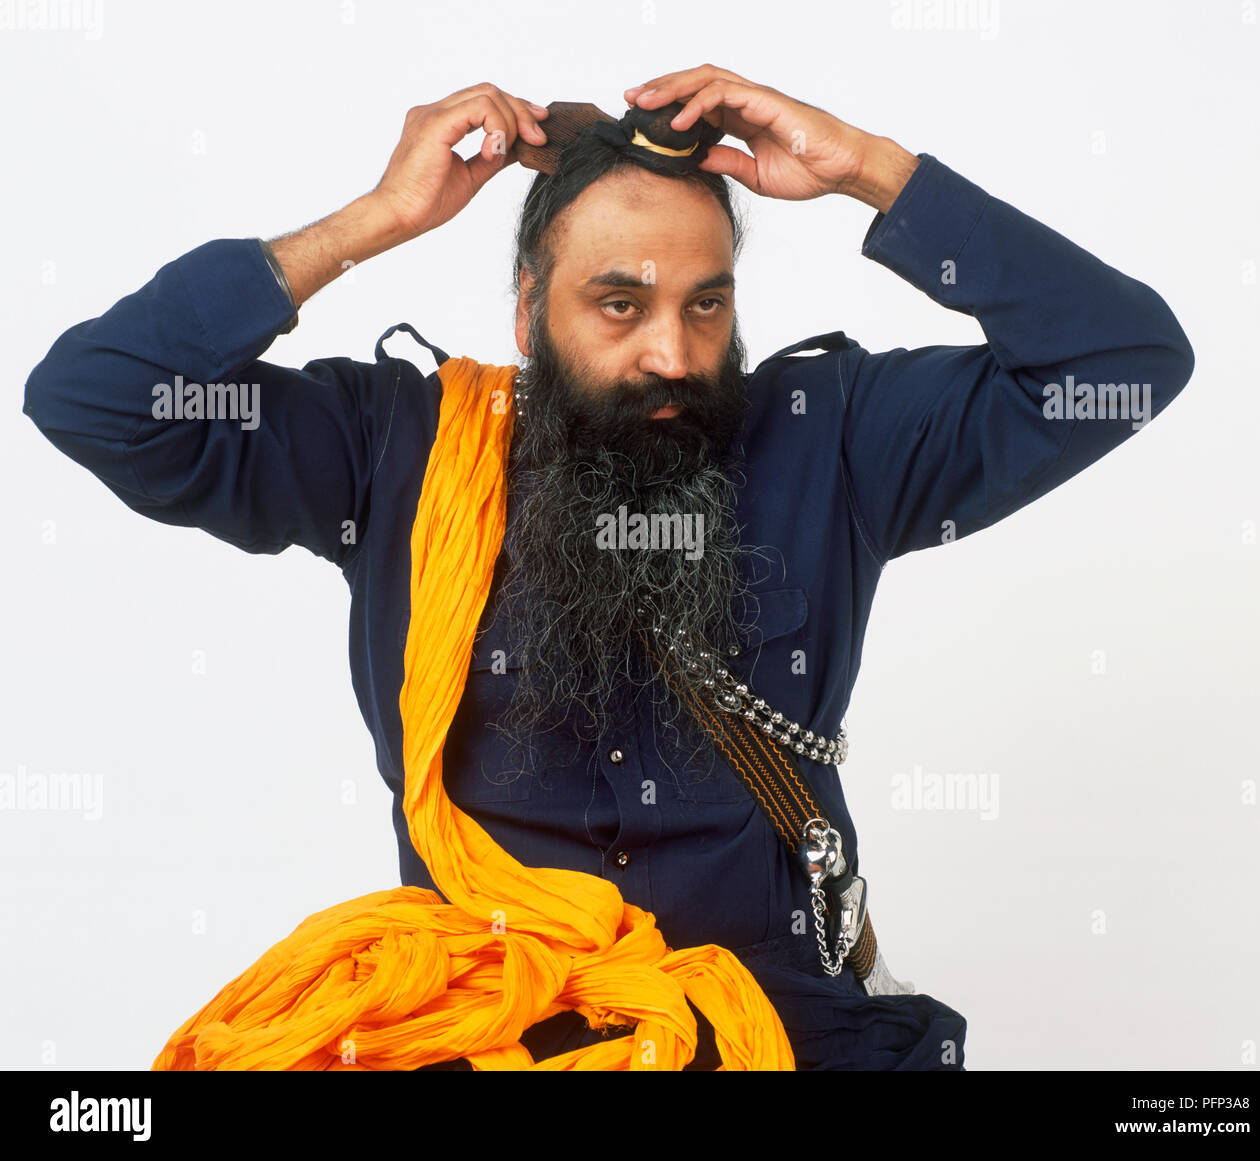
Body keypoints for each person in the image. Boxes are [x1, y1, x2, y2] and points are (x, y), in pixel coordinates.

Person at [22, 64, 1194, 1070]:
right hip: (478, 1030)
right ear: (529, 311)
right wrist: (373, 220)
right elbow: (95, 400)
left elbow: (1127, 361)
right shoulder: (396, 450)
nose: (670, 353)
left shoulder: (831, 434)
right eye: (618, 304)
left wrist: (871, 170)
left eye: (705, 304)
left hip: (767, 1029)